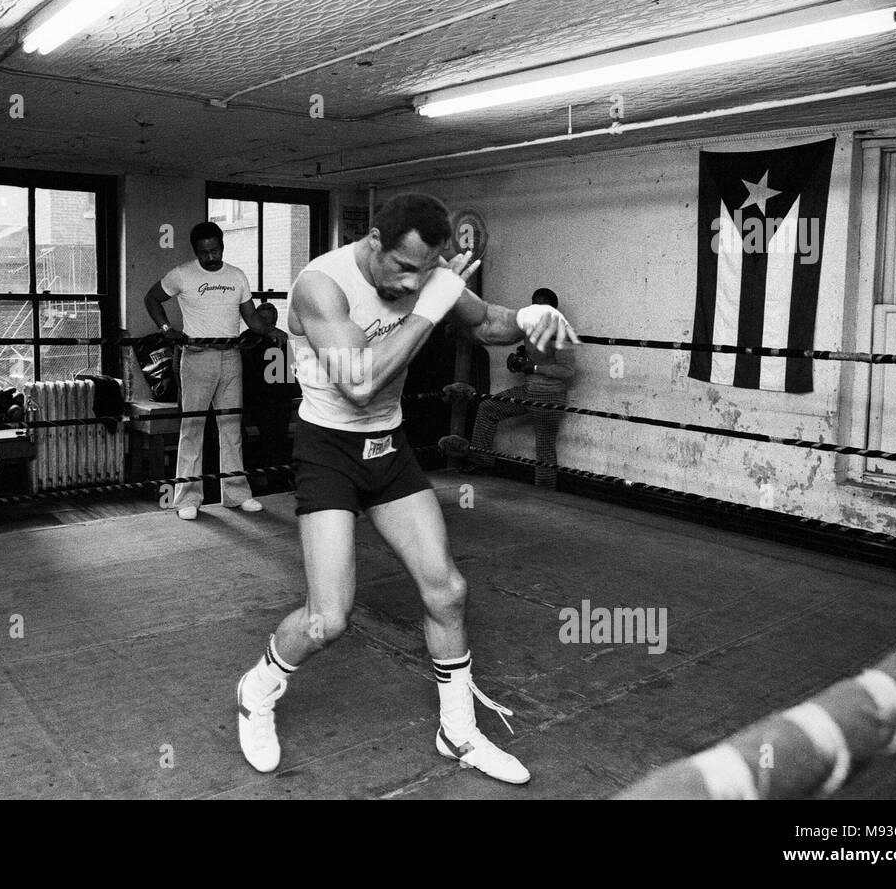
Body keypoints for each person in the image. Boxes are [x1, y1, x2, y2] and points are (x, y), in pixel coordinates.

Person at [234, 193, 578, 785]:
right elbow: (360, 385)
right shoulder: (323, 286)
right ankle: (257, 687)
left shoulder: (429, 274)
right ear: (375, 243)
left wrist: (526, 318)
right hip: (329, 452)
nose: (414, 280)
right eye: (403, 268)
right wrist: (430, 306)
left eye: (426, 270)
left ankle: (458, 730)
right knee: (330, 618)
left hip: (389, 450)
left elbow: (486, 321)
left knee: (447, 591)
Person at [144, 221, 280, 520]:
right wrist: (166, 328)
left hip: (231, 357)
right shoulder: (182, 274)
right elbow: (151, 298)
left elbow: (252, 319)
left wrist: (273, 331)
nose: (211, 257)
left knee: (231, 428)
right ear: (196, 251)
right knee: (192, 429)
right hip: (196, 357)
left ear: (222, 246)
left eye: (215, 250)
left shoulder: (237, 276)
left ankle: (236, 494)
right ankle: (187, 500)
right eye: (204, 252)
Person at [470, 288, 575, 487]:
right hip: (528, 392)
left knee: (544, 448)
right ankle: (481, 463)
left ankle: (545, 494)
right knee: (487, 408)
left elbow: (567, 371)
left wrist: (534, 367)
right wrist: (519, 360)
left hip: (550, 397)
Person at [239, 302, 299, 469]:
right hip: (255, 399)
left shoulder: (279, 339)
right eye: (262, 319)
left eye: (270, 321)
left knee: (276, 437)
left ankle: (275, 474)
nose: (266, 324)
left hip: (274, 399)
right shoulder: (245, 340)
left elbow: (287, 375)